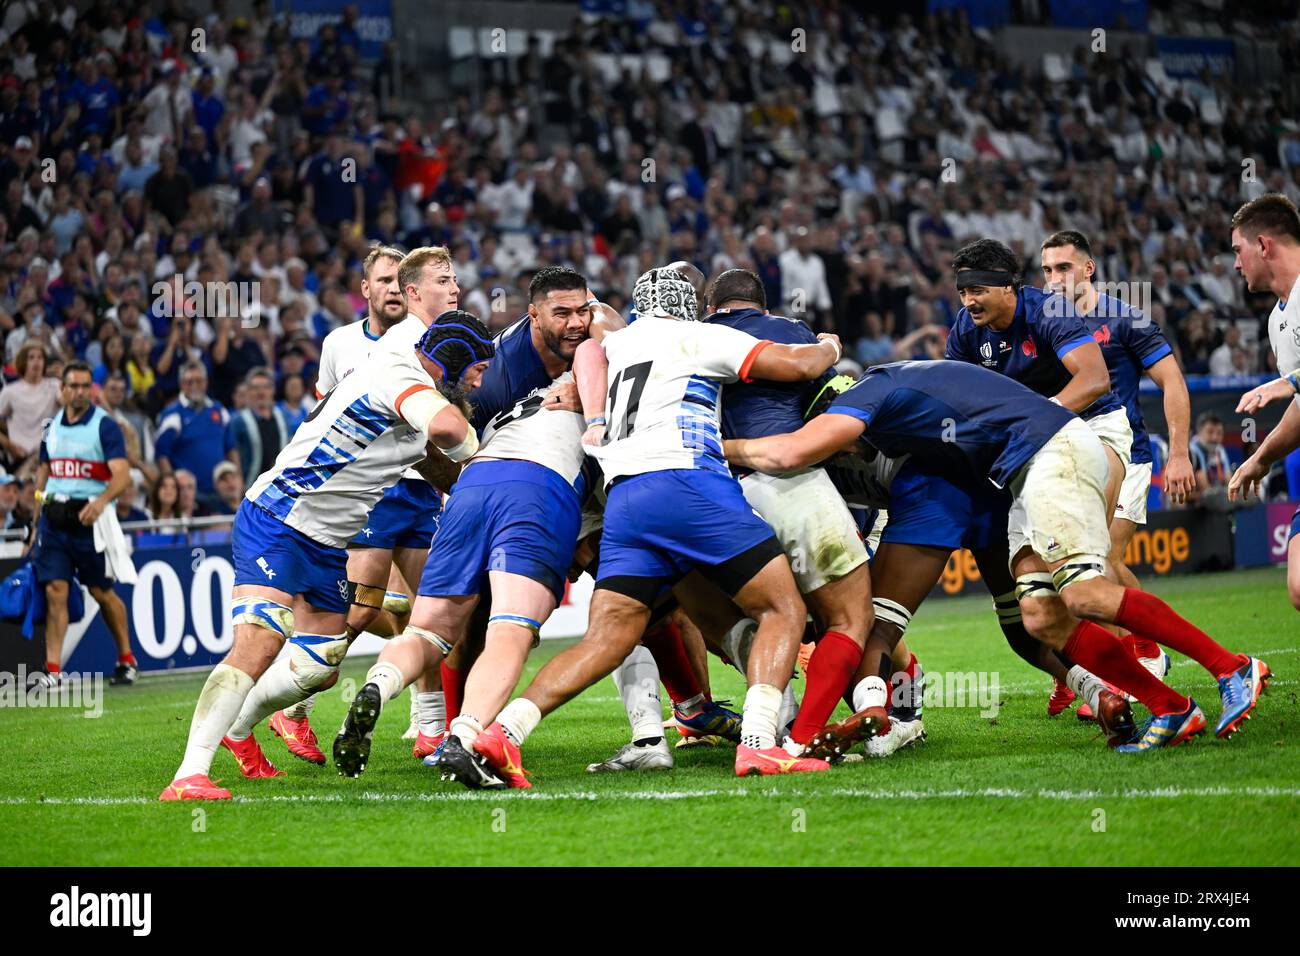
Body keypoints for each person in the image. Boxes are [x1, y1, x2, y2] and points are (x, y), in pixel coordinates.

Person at [724, 360, 1270, 754]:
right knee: (1039, 618)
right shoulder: (903, 391)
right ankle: (1171, 707)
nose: (843, 449)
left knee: (1085, 593)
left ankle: (1233, 667)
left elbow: (792, 451)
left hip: (1048, 454)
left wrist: (714, 446)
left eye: (839, 439)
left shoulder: (870, 398)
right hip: (1014, 474)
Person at [468, 266, 845, 787]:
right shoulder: (703, 335)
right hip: (689, 482)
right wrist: (827, 346)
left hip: (624, 498)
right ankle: (760, 744)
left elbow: (592, 348)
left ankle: (504, 733)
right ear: (690, 304)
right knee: (782, 608)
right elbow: (797, 365)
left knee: (605, 639)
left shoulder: (618, 344)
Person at [158, 313, 493, 801]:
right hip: (278, 516)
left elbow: (439, 463)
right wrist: (478, 446)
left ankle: (238, 728)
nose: (482, 381)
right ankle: (189, 775)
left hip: (327, 541)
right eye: (478, 368)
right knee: (259, 643)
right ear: (452, 361)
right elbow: (451, 432)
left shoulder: (418, 392)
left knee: (321, 665)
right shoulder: (403, 376)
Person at [340, 266, 595, 783]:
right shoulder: (599, 380)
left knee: (430, 629)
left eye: (580, 313)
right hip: (538, 489)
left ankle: (380, 684)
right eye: (564, 313)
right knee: (511, 628)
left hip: (472, 483)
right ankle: (465, 736)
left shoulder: (512, 395)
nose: (576, 323)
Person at [269, 245, 455, 765]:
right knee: (360, 608)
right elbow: (324, 412)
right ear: (366, 289)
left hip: (420, 491)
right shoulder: (340, 343)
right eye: (385, 280)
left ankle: (430, 727)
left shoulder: (432, 338)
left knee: (436, 607)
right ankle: (295, 705)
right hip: (368, 493)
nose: (395, 288)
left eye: (402, 280)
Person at [1038, 229, 1196, 713]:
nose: (1054, 279)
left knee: (1100, 561)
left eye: (1063, 268)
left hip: (1125, 453)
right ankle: (1087, 666)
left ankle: (1137, 657)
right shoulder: (1041, 323)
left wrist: (1180, 453)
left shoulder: (1124, 317)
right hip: (1065, 456)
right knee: (1063, 567)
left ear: (1088, 269)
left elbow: (1172, 380)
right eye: (1046, 270)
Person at [945, 238, 1132, 524]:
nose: (969, 301)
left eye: (977, 291)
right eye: (963, 292)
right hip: (1025, 437)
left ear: (1007, 286)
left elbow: (1095, 380)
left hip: (1092, 421)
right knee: (1031, 565)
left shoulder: (1048, 311)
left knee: (1088, 538)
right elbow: (956, 398)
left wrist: (1034, 421)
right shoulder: (965, 328)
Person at [28, 361, 138, 685]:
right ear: (62, 389)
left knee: (102, 592)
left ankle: (126, 658)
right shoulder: (51, 427)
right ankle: (53, 669)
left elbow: (122, 476)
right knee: (55, 589)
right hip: (54, 518)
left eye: (85, 385)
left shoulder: (105, 426)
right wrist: (35, 519)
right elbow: (44, 472)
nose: (79, 392)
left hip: (90, 520)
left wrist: (101, 501)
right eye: (73, 385)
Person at [1228, 195, 1300, 613]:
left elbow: (1294, 389)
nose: (1237, 264)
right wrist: (1262, 458)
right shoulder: (1278, 320)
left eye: (1238, 250)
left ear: (1264, 245)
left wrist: (1289, 382)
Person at [155, 361, 234, 502]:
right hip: (189, 496)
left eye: (199, 381)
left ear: (206, 382)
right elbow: (161, 455)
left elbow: (231, 449)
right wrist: (174, 488)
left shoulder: (219, 410)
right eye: (189, 381)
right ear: (181, 384)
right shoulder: (173, 414)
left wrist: (236, 481)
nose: (194, 386)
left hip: (220, 493)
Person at [0, 342, 61, 476]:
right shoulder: (10, 391)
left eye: (40, 357)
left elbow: (70, 406)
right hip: (20, 458)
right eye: (31, 357)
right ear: (23, 361)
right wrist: (9, 445)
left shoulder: (55, 386)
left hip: (49, 457)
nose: (36, 361)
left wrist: (64, 378)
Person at [225, 367, 290, 489]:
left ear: (273, 390)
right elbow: (233, 454)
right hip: (250, 488)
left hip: (278, 488)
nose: (261, 392)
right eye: (255, 388)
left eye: (266, 387)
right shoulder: (238, 421)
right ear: (248, 392)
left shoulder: (283, 417)